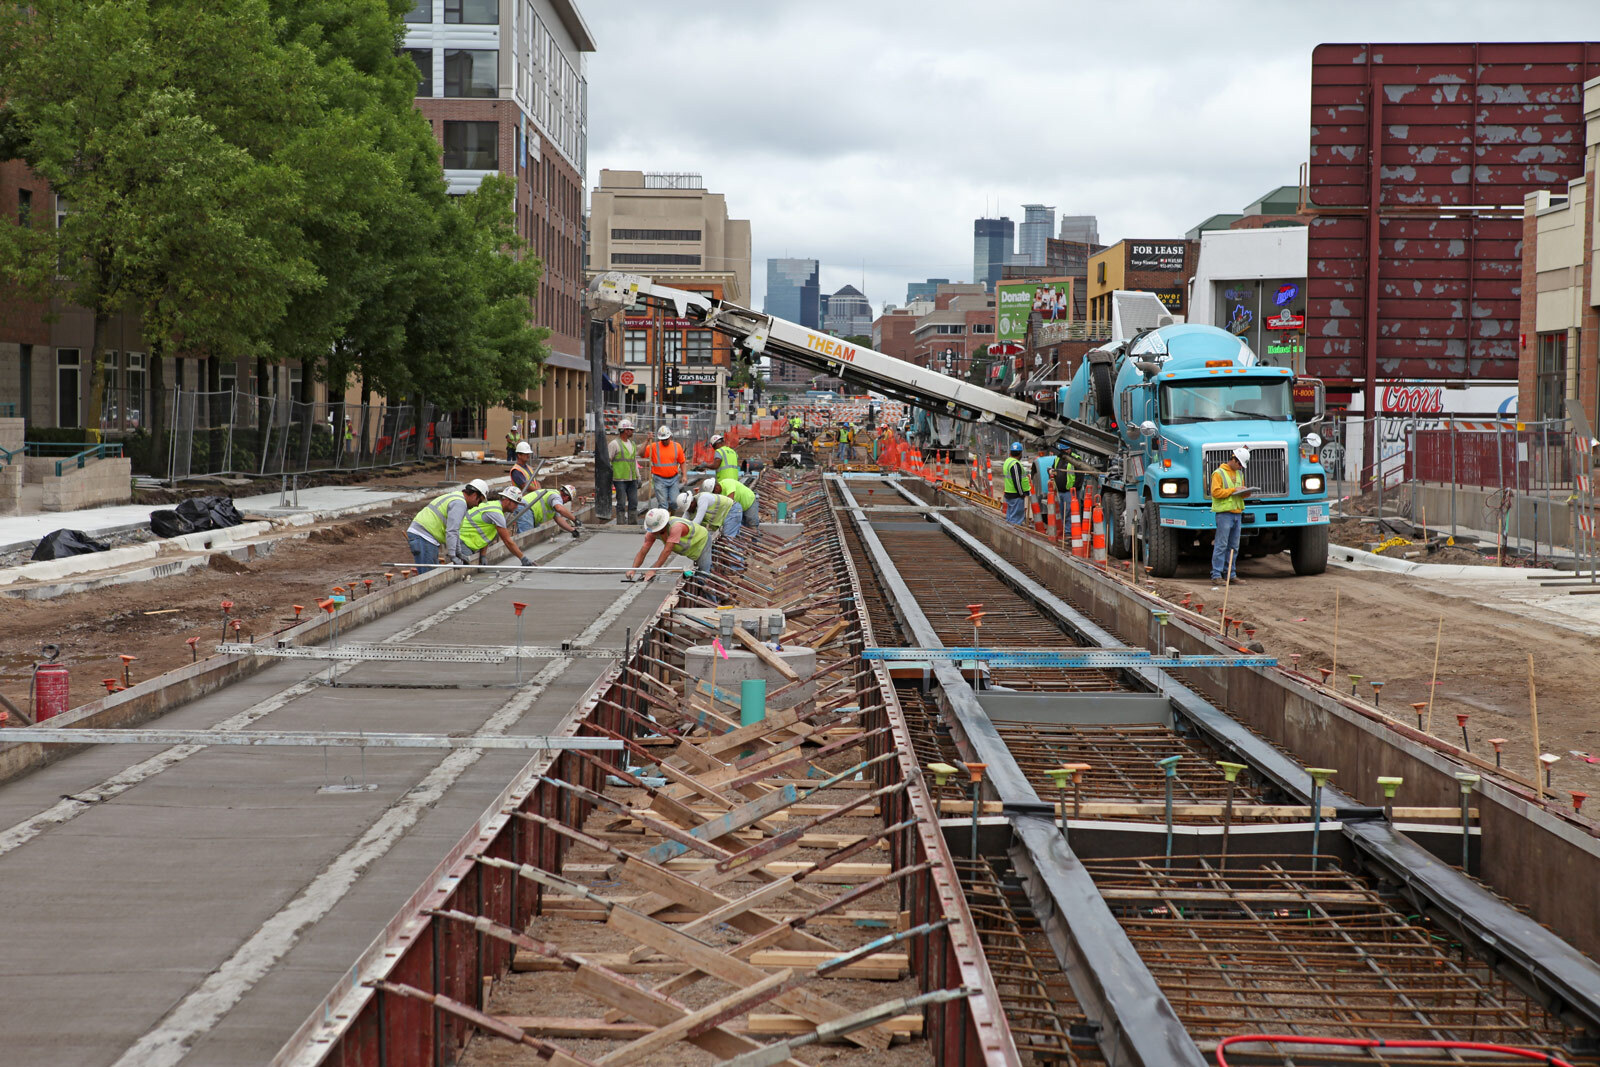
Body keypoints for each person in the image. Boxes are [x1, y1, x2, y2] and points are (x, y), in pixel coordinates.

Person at [407, 479, 490, 572]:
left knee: (433, 573)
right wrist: (453, 556)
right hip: (423, 537)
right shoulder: (459, 503)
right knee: (428, 575)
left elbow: (456, 531)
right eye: (479, 501)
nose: (477, 505)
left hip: (425, 537)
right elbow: (452, 531)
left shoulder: (458, 498)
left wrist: (458, 553)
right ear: (475, 495)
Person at [457, 487, 539, 567]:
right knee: (464, 571)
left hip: (463, 541)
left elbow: (485, 533)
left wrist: (483, 555)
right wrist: (523, 559)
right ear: (507, 500)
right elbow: (507, 541)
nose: (516, 506)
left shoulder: (493, 506)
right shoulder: (496, 513)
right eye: (515, 503)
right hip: (463, 542)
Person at [627, 507, 711, 579]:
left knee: (704, 577)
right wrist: (633, 569)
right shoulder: (652, 531)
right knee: (703, 572)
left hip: (701, 542)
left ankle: (714, 597)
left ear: (662, 525)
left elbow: (667, 550)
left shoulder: (676, 527)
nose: (653, 533)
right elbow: (643, 551)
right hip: (690, 550)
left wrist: (653, 570)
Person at [1210, 446, 1250, 587]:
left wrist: (1246, 492)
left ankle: (1230, 574)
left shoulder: (1239, 474)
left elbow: (1240, 492)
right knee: (1221, 545)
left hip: (1237, 514)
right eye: (1239, 464)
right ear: (1233, 459)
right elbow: (1215, 492)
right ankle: (1216, 574)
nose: (1240, 467)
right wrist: (1234, 490)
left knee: (1234, 546)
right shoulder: (1218, 473)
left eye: (1241, 465)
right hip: (1224, 514)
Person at [642, 425, 687, 512]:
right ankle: (664, 522)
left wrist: (684, 475)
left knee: (675, 502)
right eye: (662, 439)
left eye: (666, 439)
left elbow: (682, 462)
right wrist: (647, 441)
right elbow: (641, 454)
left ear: (670, 436)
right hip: (659, 479)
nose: (665, 441)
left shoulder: (676, 446)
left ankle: (671, 517)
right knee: (663, 504)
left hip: (673, 479)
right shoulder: (654, 447)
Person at [607, 419, 640, 525]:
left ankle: (632, 524)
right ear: (625, 430)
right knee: (621, 502)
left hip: (632, 478)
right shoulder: (614, 444)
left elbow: (634, 462)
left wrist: (638, 476)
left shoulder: (633, 444)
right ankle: (621, 524)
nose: (632, 432)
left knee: (633, 502)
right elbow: (608, 462)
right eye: (630, 430)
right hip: (620, 479)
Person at [508, 441, 540, 531]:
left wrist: (539, 490)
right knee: (526, 531)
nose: (528, 455)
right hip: (522, 504)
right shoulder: (516, 470)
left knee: (534, 531)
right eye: (526, 454)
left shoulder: (529, 468)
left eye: (528, 454)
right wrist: (538, 492)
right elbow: (525, 486)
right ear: (519, 455)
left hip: (532, 502)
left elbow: (535, 481)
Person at [1001, 441, 1031, 526]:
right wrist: (1021, 493)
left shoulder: (1008, 461)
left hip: (1009, 493)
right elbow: (1016, 481)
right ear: (1020, 453)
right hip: (1016, 495)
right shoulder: (1015, 464)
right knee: (1016, 520)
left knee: (1010, 518)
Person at [1050, 441, 1076, 531]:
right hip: (1060, 491)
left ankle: (1068, 531)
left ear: (1070, 449)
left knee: (1069, 512)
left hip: (1069, 491)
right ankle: (1063, 530)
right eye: (1064, 450)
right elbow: (1054, 469)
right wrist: (1051, 471)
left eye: (1067, 449)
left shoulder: (1075, 459)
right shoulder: (1058, 458)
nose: (1066, 451)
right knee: (1061, 512)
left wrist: (1074, 489)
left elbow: (1079, 477)